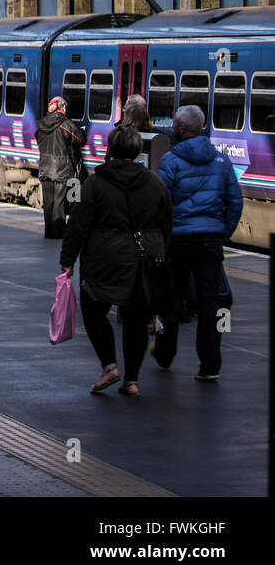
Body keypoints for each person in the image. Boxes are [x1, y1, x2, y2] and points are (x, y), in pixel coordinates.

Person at [60, 125, 173, 397]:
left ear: (110, 149)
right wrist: (162, 255)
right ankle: (131, 381)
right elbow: (167, 222)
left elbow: (78, 224)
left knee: (93, 309)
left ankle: (109, 365)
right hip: (144, 257)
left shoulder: (95, 183)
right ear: (136, 150)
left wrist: (68, 259)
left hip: (104, 258)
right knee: (136, 318)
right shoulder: (155, 182)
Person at [150, 105, 243, 381]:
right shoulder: (221, 161)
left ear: (180, 129)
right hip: (209, 242)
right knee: (210, 303)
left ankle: (165, 353)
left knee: (171, 298)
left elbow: (160, 203)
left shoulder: (170, 162)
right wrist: (222, 232)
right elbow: (235, 202)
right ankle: (210, 365)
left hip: (178, 242)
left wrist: (164, 235)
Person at [37, 96, 87, 238]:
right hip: (61, 170)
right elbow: (80, 139)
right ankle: (58, 233)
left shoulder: (41, 124)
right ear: (62, 107)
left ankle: (49, 232)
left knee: (48, 203)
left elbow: (38, 139)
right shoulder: (66, 124)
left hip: (45, 168)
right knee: (59, 202)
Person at [116, 94, 170, 171]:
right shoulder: (160, 137)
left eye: (125, 108)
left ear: (130, 112)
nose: (123, 110)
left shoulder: (120, 134)